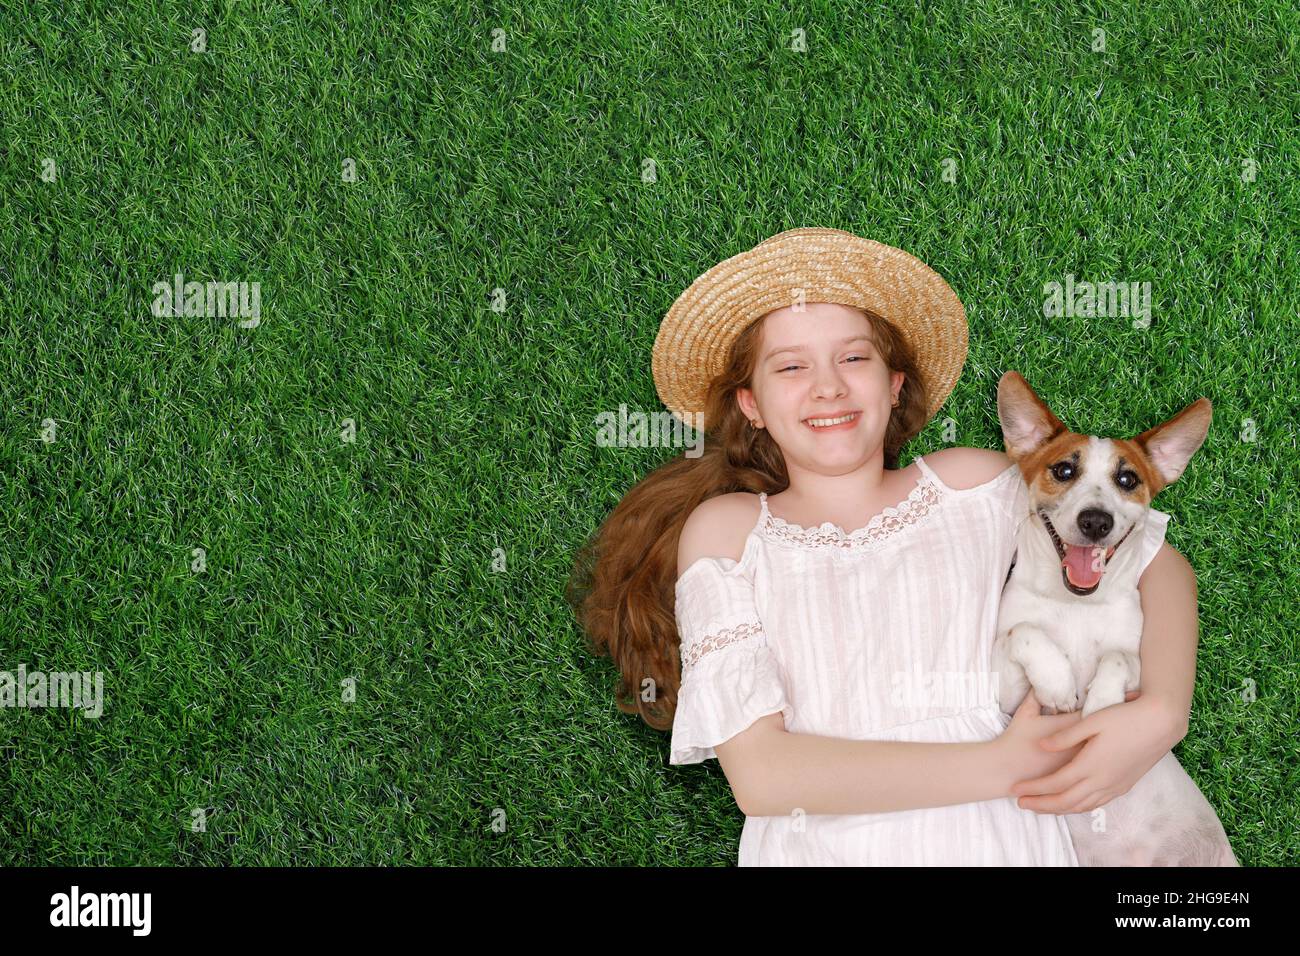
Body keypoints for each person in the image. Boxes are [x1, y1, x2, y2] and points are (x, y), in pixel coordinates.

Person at [568, 227, 1200, 865]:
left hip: (1000, 843)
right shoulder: (730, 529)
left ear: (895, 385)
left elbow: (1152, 556)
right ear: (751, 404)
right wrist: (1001, 765)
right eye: (790, 367)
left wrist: (1165, 710)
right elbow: (762, 778)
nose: (828, 387)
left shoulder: (970, 485)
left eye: (854, 358)